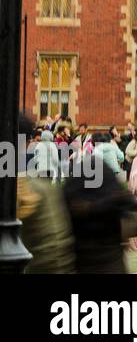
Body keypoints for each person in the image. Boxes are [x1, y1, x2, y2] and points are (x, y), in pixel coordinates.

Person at [16, 115, 75, 273]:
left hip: (40, 171)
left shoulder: (24, 187)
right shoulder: (44, 190)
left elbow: (34, 158)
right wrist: (59, 175)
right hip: (56, 266)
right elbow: (56, 160)